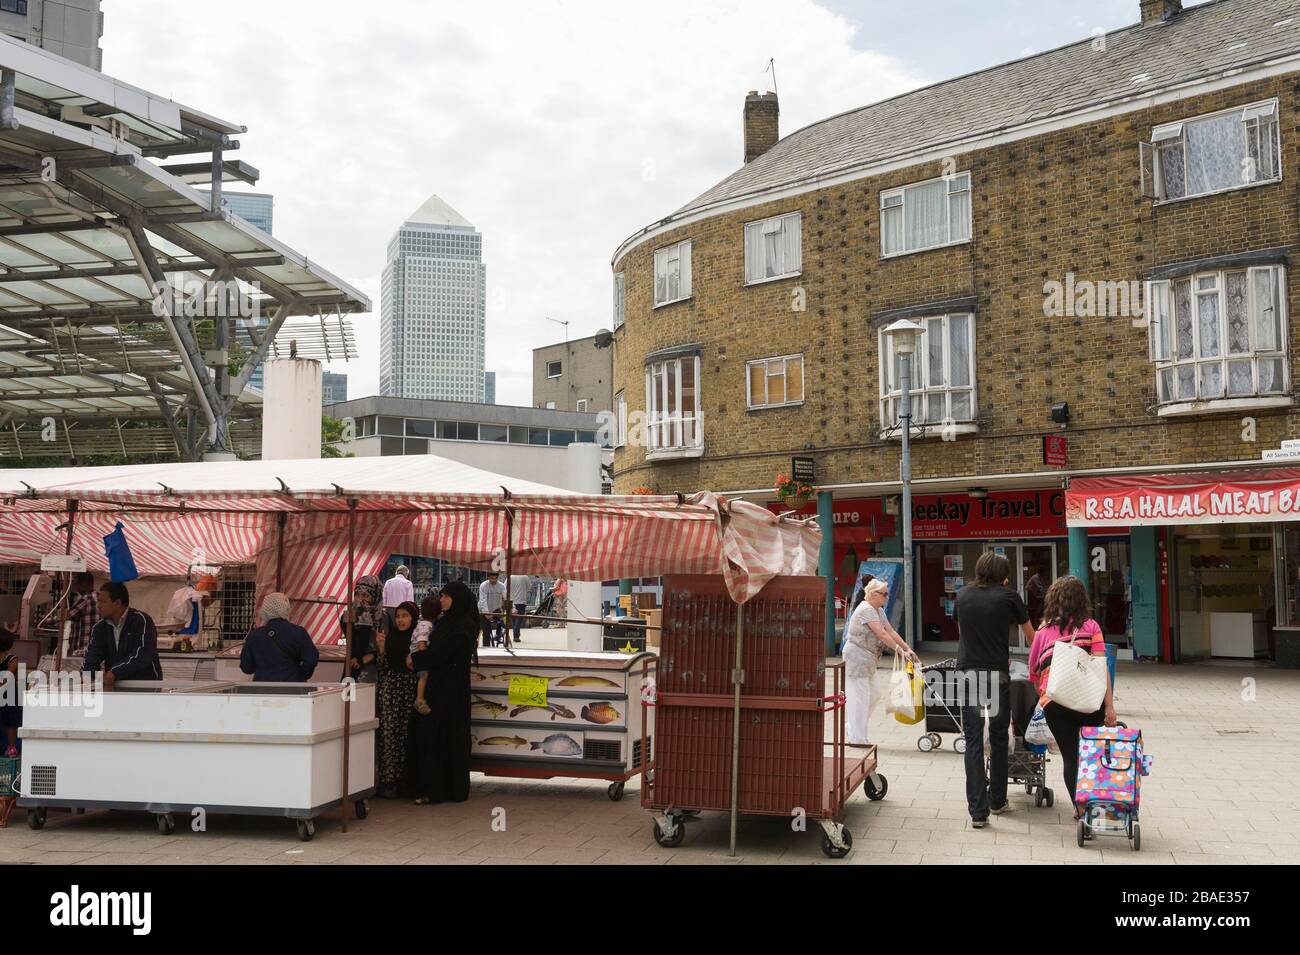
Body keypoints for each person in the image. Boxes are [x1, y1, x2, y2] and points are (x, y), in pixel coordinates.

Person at [953, 552, 1035, 828]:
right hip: (997, 677)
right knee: (999, 736)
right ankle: (997, 799)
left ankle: (977, 812)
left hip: (970, 675)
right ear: (1003, 574)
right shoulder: (1009, 596)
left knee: (974, 740)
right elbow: (1031, 636)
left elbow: (963, 628)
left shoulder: (963, 595)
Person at [1028, 575, 1116, 819]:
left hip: (1055, 704)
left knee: (1070, 756)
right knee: (1090, 755)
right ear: (1082, 600)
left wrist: (1046, 693)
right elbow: (1102, 668)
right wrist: (1109, 706)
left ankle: (1080, 810)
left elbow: (1034, 674)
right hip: (1090, 703)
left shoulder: (1043, 631)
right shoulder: (1091, 627)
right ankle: (1099, 803)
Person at [405, 580, 478, 804]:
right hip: (440, 689)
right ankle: (431, 787)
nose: (442, 600)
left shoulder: (463, 626)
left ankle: (443, 789)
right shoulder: (447, 622)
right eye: (442, 596)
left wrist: (415, 659)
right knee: (433, 738)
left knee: (445, 738)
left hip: (451, 692)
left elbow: (442, 655)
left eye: (447, 597)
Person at [843, 578, 918, 746]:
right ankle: (857, 738)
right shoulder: (866, 609)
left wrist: (907, 649)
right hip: (857, 656)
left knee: (874, 693)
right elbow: (882, 634)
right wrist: (901, 652)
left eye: (887, 594)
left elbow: (890, 631)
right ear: (872, 594)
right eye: (884, 594)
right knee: (859, 697)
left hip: (868, 658)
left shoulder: (878, 610)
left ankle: (852, 727)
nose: (886, 597)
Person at [374, 599, 420, 798]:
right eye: (398, 616)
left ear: (414, 618)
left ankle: (405, 781)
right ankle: (388, 781)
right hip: (391, 690)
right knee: (389, 736)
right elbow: (383, 668)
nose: (401, 620)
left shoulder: (418, 641)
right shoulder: (390, 638)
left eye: (405, 616)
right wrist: (382, 648)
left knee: (407, 735)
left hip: (409, 690)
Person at [82, 581, 162, 685]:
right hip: (116, 686)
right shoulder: (100, 628)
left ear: (118, 603)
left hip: (144, 686)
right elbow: (93, 655)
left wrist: (115, 672)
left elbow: (143, 653)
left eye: (103, 602)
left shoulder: (141, 620)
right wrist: (87, 675)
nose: (98, 606)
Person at [239, 592, 318, 682]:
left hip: (262, 690)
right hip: (293, 688)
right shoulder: (299, 632)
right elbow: (312, 657)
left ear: (265, 610)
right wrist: (302, 674)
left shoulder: (254, 636)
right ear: (286, 609)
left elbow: (246, 667)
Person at [340, 575, 381, 683]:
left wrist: (370, 656)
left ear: (375, 597)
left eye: (365, 595)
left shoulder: (382, 618)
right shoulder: (351, 616)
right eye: (357, 595)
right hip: (351, 669)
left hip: (371, 672)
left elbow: (386, 648)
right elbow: (351, 639)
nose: (360, 599)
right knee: (347, 697)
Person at [411, 595, 441, 716]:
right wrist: (424, 657)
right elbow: (422, 642)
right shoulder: (427, 625)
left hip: (416, 653)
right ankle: (419, 700)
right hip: (418, 654)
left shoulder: (422, 622)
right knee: (424, 676)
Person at [66, 571, 100, 655]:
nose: (75, 586)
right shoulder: (100, 597)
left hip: (83, 650)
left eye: (76, 583)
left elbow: (66, 617)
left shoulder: (85, 599)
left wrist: (44, 621)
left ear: (84, 583)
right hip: (97, 648)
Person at [0, 627, 21, 756]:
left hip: (9, 695)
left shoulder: (12, 659)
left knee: (11, 721)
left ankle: (12, 747)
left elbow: (6, 678)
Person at [477, 572, 507, 647]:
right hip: (484, 611)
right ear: (488, 578)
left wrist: (512, 607)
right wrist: (486, 613)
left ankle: (498, 636)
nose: (494, 580)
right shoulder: (484, 586)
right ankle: (486, 647)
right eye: (492, 579)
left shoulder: (501, 586)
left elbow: (506, 598)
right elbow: (483, 600)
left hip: (496, 609)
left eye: (495, 579)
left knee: (502, 624)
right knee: (486, 630)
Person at [508, 573, 532, 642]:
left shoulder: (510, 577)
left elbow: (504, 587)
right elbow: (530, 587)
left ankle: (515, 634)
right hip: (521, 601)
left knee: (514, 619)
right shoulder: (525, 577)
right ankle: (516, 634)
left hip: (512, 601)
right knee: (519, 618)